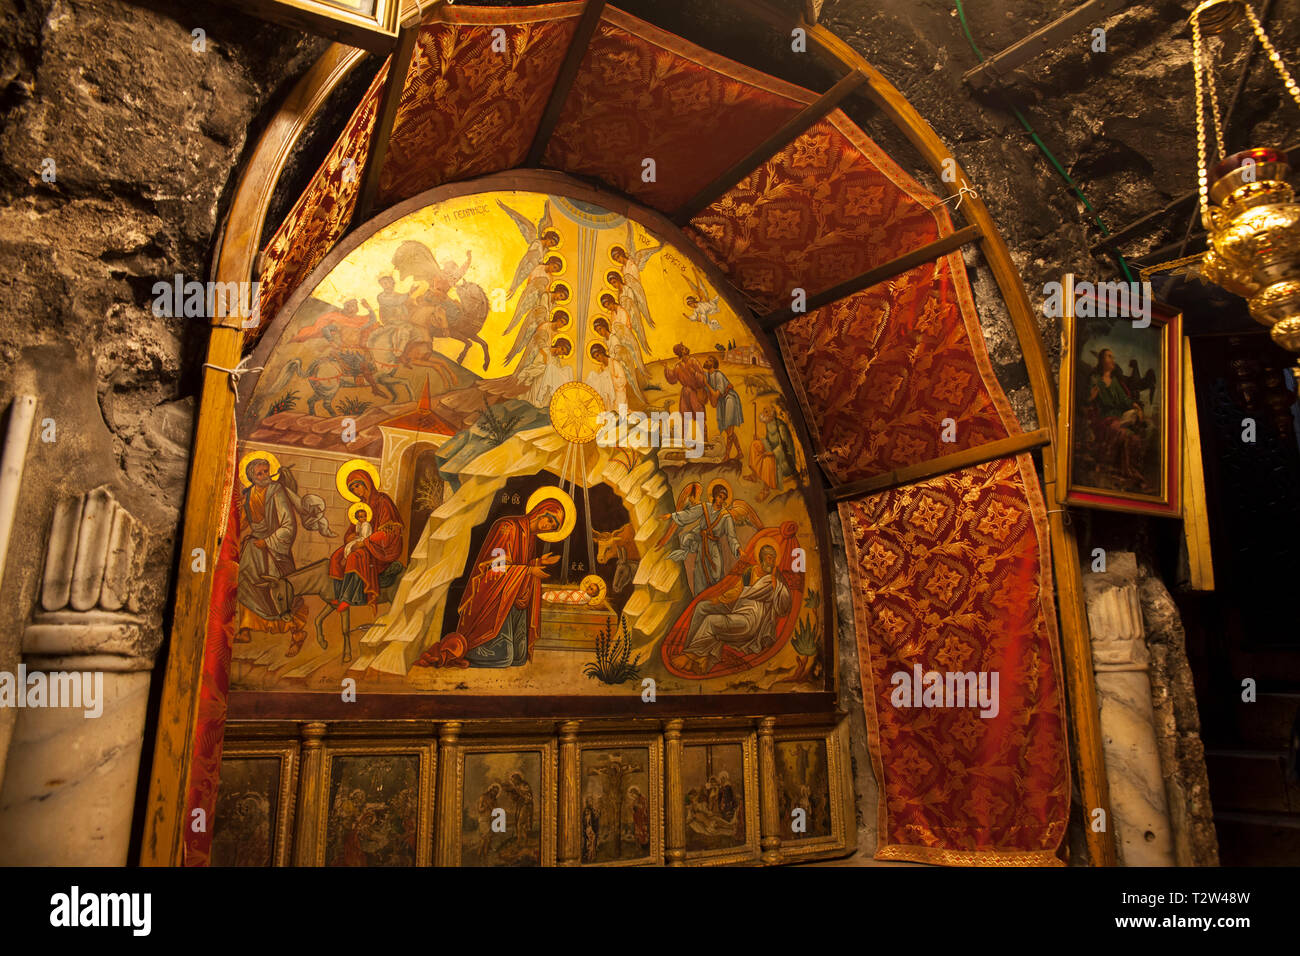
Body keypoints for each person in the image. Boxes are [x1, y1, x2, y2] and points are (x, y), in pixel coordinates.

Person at [414, 499, 565, 668]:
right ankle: (467, 649)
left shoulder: (529, 538)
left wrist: (536, 562)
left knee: (519, 658)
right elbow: (496, 567)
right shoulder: (507, 527)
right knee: (503, 659)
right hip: (495, 595)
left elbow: (519, 564)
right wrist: (529, 571)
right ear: (540, 511)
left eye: (554, 527)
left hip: (514, 592)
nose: (550, 526)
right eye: (551, 520)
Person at [675, 544, 791, 676]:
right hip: (738, 610)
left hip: (749, 621)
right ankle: (694, 652)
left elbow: (784, 608)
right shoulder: (750, 571)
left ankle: (691, 655)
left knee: (711, 621)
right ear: (761, 558)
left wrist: (777, 588)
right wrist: (719, 599)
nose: (772, 562)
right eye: (769, 558)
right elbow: (737, 591)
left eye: (774, 559)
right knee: (702, 607)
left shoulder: (774, 580)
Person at [236, 457, 310, 654]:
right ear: (251, 476)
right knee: (246, 583)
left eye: (266, 472)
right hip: (253, 548)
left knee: (280, 590)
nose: (264, 476)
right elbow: (244, 523)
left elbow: (288, 524)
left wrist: (268, 542)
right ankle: (245, 628)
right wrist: (237, 511)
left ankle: (297, 633)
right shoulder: (249, 494)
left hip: (273, 549)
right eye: (259, 473)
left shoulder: (276, 491)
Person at [328, 469, 404, 612]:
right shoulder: (361, 506)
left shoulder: (383, 501)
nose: (355, 491)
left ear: (366, 482)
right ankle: (339, 595)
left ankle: (348, 598)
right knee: (336, 557)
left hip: (381, 548)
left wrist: (365, 542)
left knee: (356, 556)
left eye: (357, 486)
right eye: (351, 489)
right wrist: (349, 537)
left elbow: (388, 531)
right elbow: (352, 529)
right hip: (363, 543)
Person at [660, 482, 740, 594]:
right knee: (700, 574)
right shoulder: (705, 507)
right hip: (702, 545)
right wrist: (672, 516)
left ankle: (714, 599)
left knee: (717, 571)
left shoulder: (726, 516)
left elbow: (732, 537)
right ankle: (699, 598)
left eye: (724, 498)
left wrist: (738, 549)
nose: (721, 500)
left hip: (714, 547)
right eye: (720, 497)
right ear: (714, 496)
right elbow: (689, 514)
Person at [1085, 348, 1148, 485]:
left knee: (1134, 437)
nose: (1113, 360)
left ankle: (1129, 472)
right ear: (1102, 360)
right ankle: (1116, 470)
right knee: (1121, 432)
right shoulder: (1095, 380)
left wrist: (1136, 407)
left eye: (1113, 357)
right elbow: (1086, 401)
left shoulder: (1115, 382)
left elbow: (1125, 400)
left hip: (1119, 419)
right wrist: (1091, 397)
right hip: (1104, 420)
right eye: (1109, 357)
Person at [747, 405, 797, 501]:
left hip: (783, 458)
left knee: (768, 459)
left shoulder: (781, 427)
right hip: (772, 449)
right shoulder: (769, 424)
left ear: (772, 415)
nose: (763, 413)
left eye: (766, 412)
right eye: (764, 410)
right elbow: (769, 441)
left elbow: (784, 447)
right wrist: (759, 441)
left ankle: (766, 489)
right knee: (755, 444)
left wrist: (771, 453)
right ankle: (754, 475)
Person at [665, 344, 709, 442]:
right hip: (685, 394)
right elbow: (672, 379)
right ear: (680, 352)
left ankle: (704, 440)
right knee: (685, 417)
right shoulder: (678, 366)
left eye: (684, 347)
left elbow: (702, 378)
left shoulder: (694, 361)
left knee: (699, 415)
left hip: (695, 392)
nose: (685, 348)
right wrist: (666, 369)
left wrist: (694, 373)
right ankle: (686, 441)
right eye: (682, 348)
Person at [703, 355, 743, 462]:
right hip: (722, 402)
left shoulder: (718, 375)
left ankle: (727, 456)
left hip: (729, 399)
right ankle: (739, 452)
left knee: (729, 430)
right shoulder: (707, 375)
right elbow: (713, 400)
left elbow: (716, 394)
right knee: (727, 430)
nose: (706, 361)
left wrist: (707, 384)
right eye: (707, 359)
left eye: (709, 360)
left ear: (713, 364)